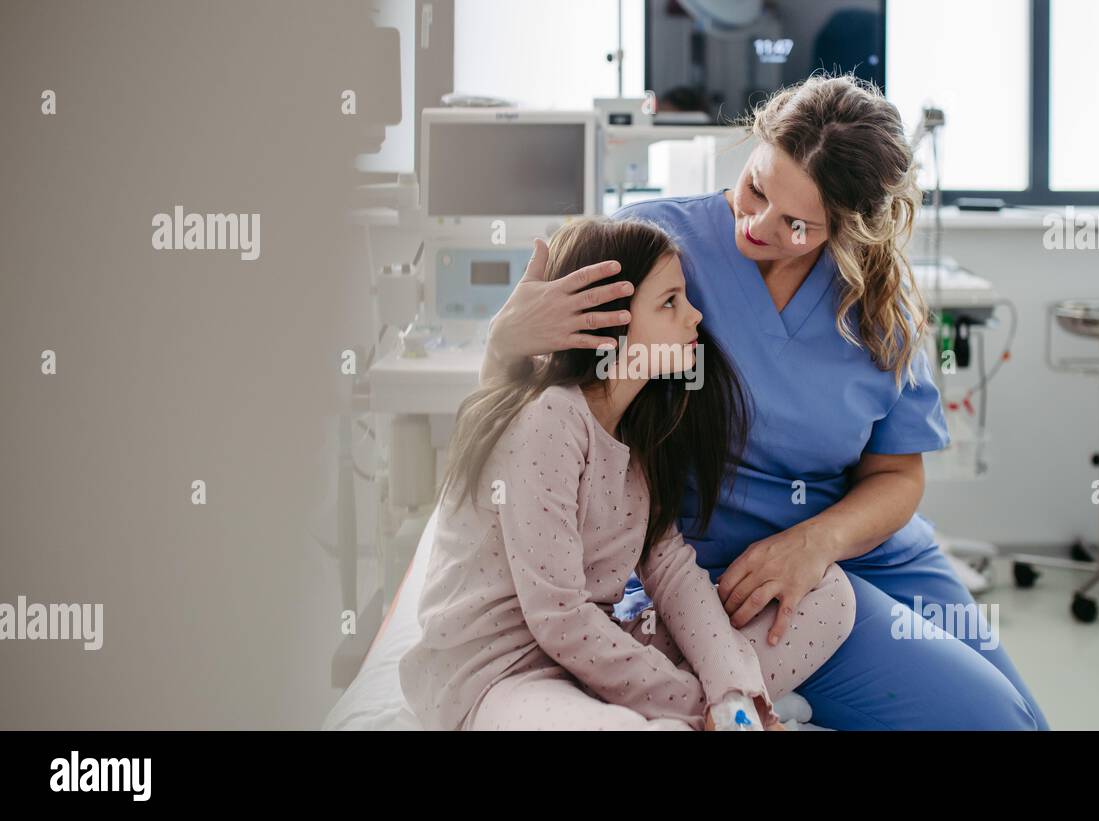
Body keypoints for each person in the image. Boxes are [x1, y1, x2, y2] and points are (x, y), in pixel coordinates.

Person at [480, 73, 1050, 730]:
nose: (755, 225)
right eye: (754, 188)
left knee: (1029, 718)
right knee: (994, 722)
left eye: (797, 224)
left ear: (849, 227)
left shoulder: (876, 301)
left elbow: (897, 473)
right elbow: (543, 402)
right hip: (734, 570)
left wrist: (817, 540)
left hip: (869, 548)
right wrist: (505, 340)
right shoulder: (656, 250)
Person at [398, 217, 854, 730]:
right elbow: (559, 618)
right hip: (506, 673)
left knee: (832, 596)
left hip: (598, 652)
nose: (695, 316)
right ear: (607, 326)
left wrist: (732, 687)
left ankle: (730, 704)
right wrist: (700, 702)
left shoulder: (637, 436)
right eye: (670, 303)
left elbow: (672, 568)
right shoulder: (551, 418)